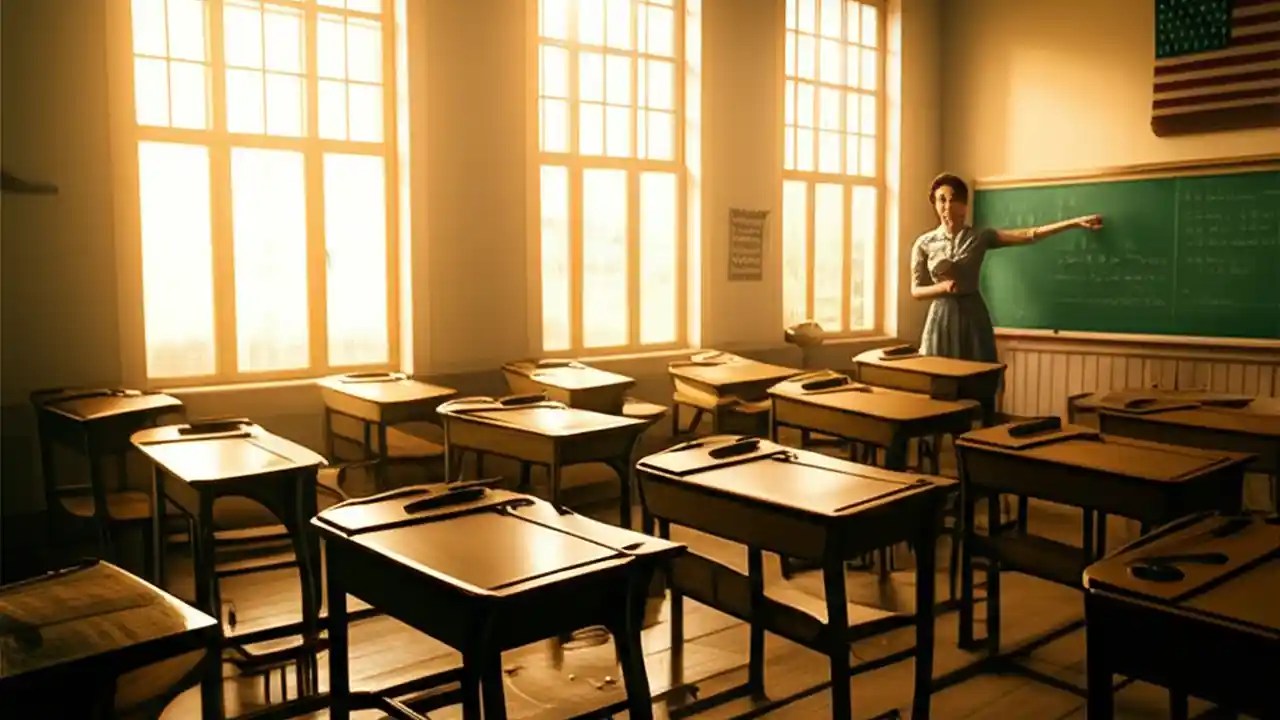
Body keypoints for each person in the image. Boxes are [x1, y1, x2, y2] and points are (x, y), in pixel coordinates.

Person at [911, 173, 1103, 362]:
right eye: (941, 200)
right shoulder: (924, 243)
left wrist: (1073, 223)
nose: (947, 207)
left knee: (978, 375)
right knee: (937, 376)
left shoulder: (979, 236)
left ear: (964, 206)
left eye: (952, 200)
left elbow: (1029, 235)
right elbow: (916, 290)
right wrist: (942, 288)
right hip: (941, 317)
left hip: (972, 314)